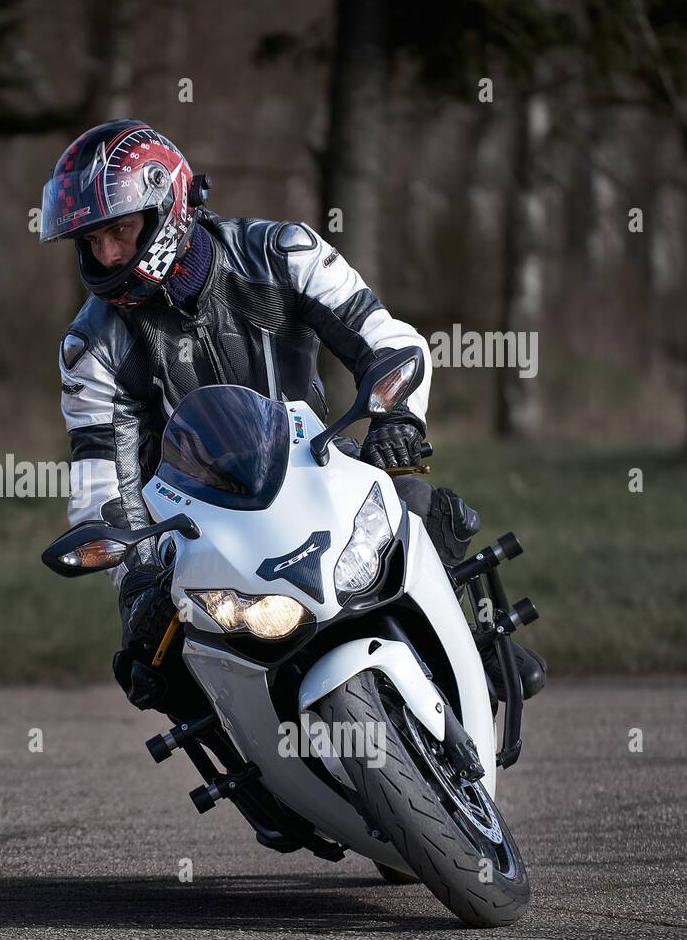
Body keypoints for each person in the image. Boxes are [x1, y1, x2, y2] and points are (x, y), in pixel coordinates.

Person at [39, 119, 545, 713]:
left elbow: (385, 339)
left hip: (318, 466)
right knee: (155, 668)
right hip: (196, 525)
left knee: (423, 509)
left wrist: (396, 419)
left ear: (166, 206)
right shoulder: (92, 348)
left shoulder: (280, 254)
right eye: (92, 240)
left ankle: (461, 646)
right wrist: (139, 583)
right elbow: (102, 484)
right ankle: (245, 769)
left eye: (120, 231)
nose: (108, 254)